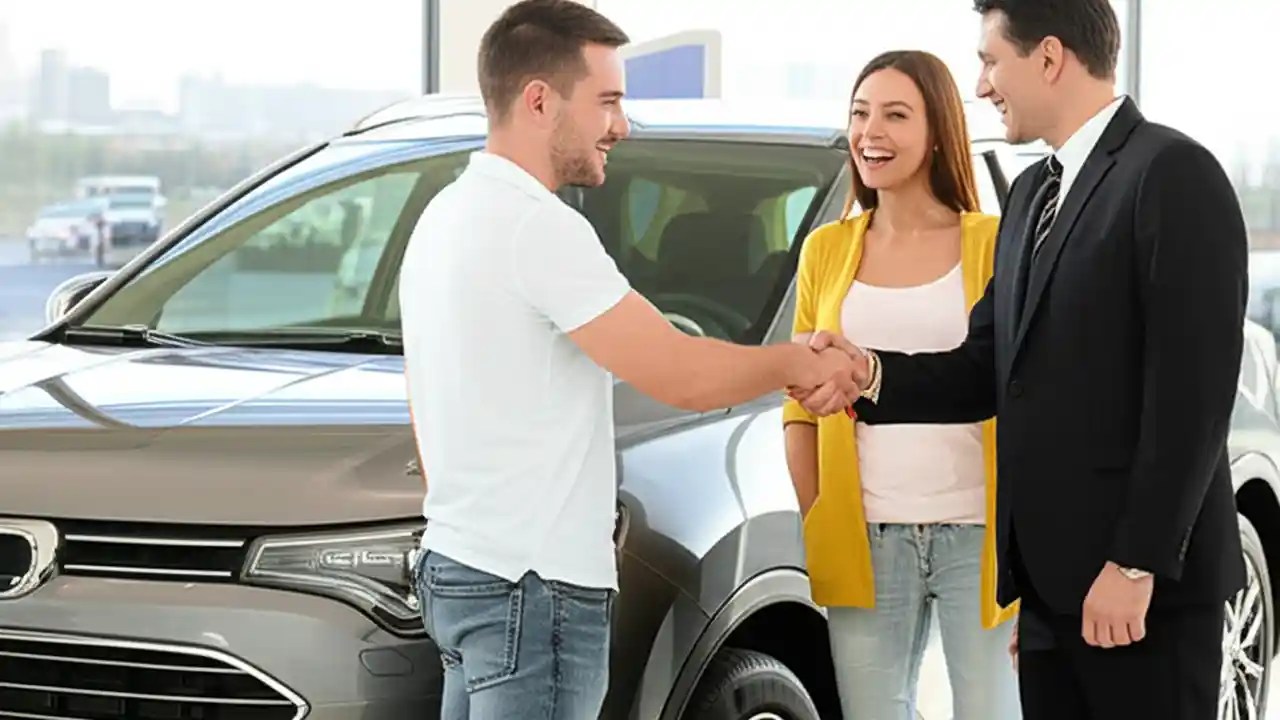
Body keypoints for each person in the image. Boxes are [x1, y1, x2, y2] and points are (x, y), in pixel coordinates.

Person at [397, 1, 858, 717]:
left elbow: (429, 405)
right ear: (539, 101)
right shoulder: (537, 227)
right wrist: (796, 365)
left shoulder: (444, 216)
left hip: (463, 567)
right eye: (607, 100)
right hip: (533, 589)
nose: (622, 125)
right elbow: (680, 373)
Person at [794, 1, 1249, 718]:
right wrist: (868, 373)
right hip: (1050, 598)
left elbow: (1193, 398)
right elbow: (986, 366)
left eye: (990, 61)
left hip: (1139, 594)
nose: (982, 85)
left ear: (1049, 57)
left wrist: (1134, 564)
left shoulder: (1171, 173)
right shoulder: (1035, 193)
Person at [783, 49, 1020, 720]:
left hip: (980, 533)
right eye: (860, 113)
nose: (870, 132)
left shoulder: (995, 242)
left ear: (938, 131)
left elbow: (1019, 388)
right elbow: (798, 406)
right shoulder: (826, 249)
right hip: (867, 536)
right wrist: (818, 512)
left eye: (894, 115)